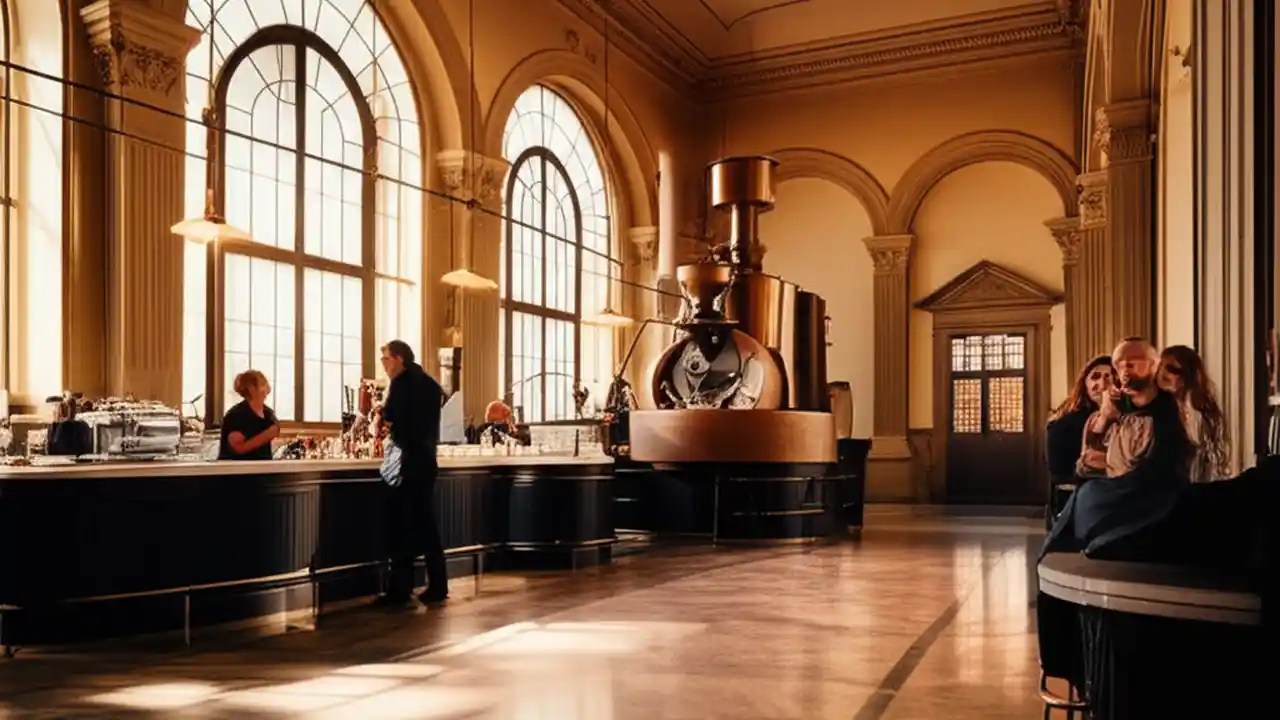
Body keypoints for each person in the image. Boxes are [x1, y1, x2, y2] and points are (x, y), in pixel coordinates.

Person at [1043, 337, 1191, 559]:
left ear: (1154, 365)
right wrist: (1106, 421)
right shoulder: (1106, 415)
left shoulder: (1170, 412)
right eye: (1119, 364)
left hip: (1151, 502)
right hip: (1108, 495)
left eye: (1132, 362)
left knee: (1089, 499)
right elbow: (1084, 466)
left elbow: (1158, 469)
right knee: (1086, 498)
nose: (1124, 369)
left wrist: (1110, 464)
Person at [375, 340, 448, 606]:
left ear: (398, 358)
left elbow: (392, 416)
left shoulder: (401, 383)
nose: (383, 365)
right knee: (426, 526)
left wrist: (381, 410)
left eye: (385, 359)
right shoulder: (429, 383)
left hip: (405, 462)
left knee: (401, 526)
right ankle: (438, 585)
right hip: (426, 461)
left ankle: (399, 590)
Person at [1157, 345, 1230, 482]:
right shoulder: (1159, 405)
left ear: (1187, 376)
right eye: (1159, 366)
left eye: (1172, 369)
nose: (1162, 373)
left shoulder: (1197, 411)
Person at [219, 370, 280, 460]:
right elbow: (238, 448)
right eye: (263, 385)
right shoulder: (236, 415)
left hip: (263, 469)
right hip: (237, 470)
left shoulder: (268, 413)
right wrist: (266, 435)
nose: (267, 388)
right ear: (251, 388)